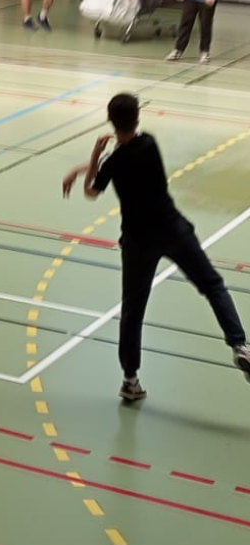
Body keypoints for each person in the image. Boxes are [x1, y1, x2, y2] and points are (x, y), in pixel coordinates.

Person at [62, 92, 250, 402]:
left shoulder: (114, 162)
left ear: (110, 121)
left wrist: (91, 159)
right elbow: (122, 156)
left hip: (137, 243)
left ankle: (130, 380)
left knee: (133, 312)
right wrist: (91, 163)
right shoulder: (148, 144)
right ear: (137, 118)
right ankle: (239, 345)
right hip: (172, 230)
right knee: (213, 286)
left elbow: (92, 191)